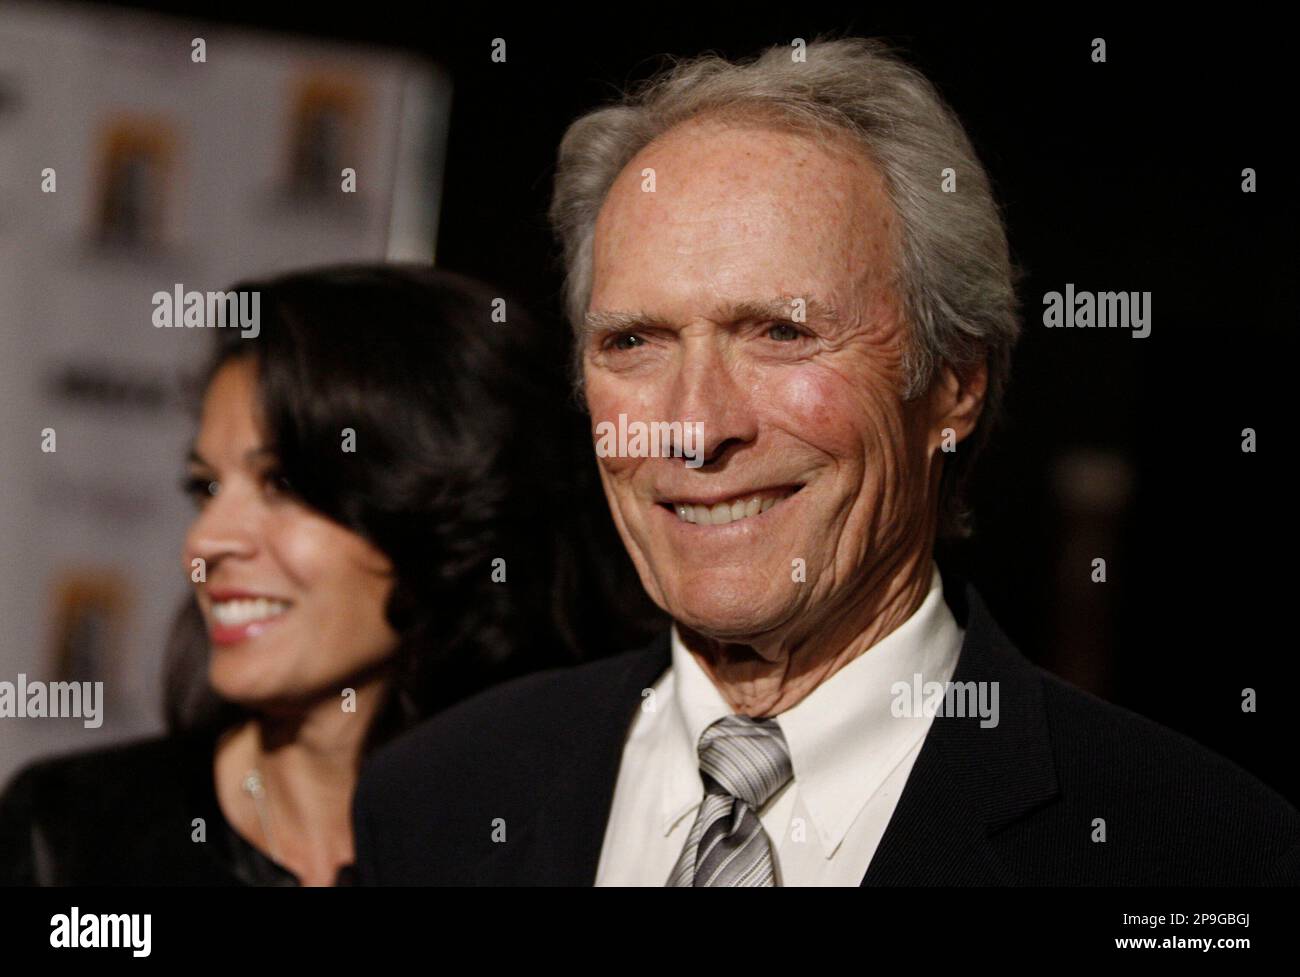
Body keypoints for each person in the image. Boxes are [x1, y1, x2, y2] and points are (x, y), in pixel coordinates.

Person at [352, 38, 1300, 885]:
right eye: (635, 341)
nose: (693, 426)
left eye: (779, 331)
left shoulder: (1194, 853)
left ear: (956, 382)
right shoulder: (435, 799)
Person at [0, 263, 655, 885]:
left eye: (281, 483)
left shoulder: (580, 840)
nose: (205, 541)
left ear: (438, 507)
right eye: (206, 487)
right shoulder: (72, 834)